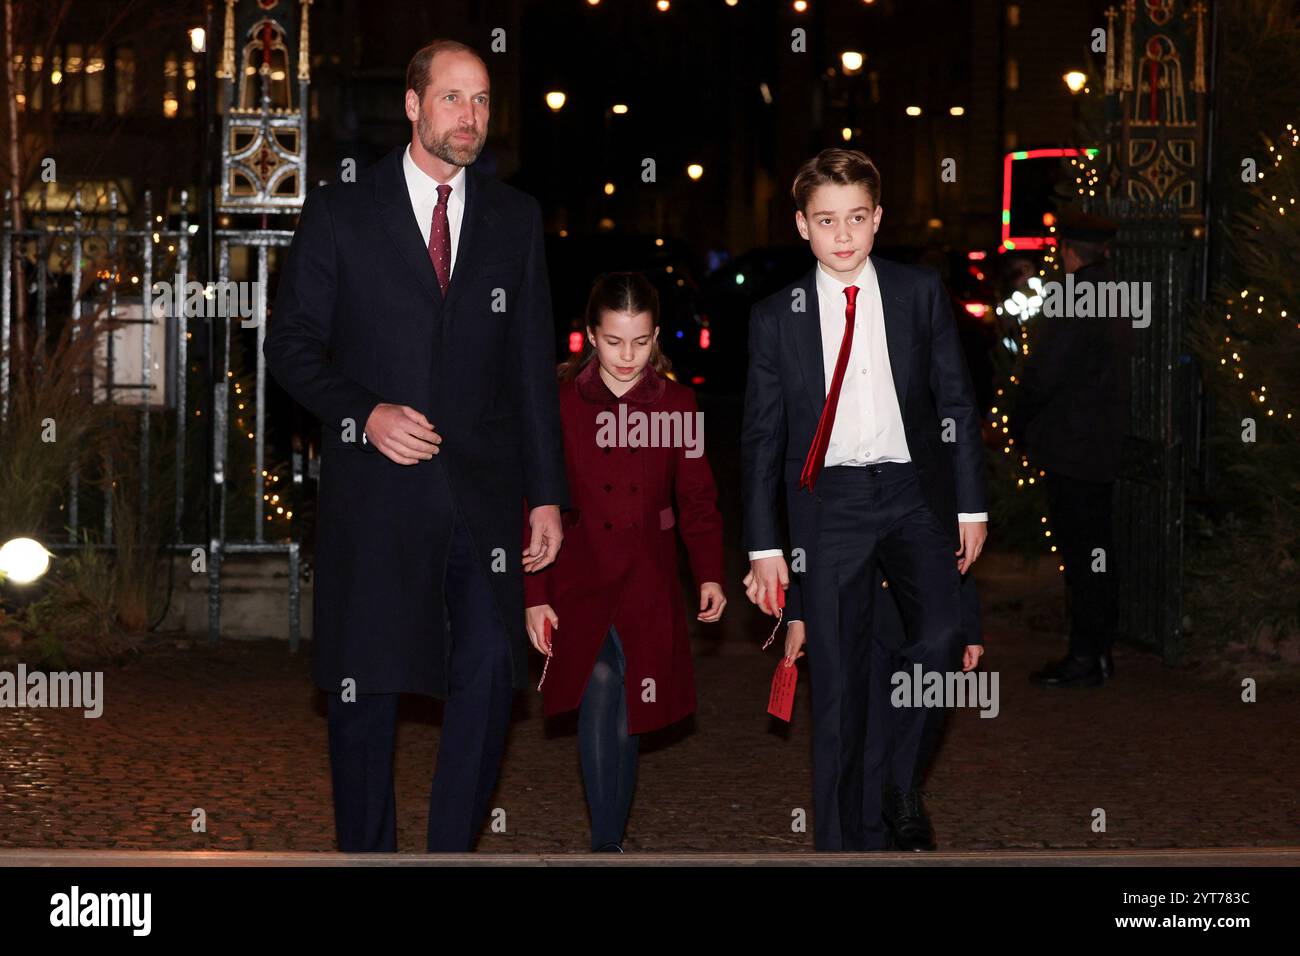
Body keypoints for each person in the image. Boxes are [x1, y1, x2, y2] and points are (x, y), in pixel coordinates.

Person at [264, 39, 568, 852]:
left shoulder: (515, 217)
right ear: (412, 104)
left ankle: (450, 857)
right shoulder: (341, 209)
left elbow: (531, 368)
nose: (469, 116)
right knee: (365, 696)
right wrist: (365, 413)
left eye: (480, 101)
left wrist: (546, 493)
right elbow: (290, 347)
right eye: (451, 99)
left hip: (484, 499)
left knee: (486, 684)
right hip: (377, 496)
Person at [741, 147, 988, 852]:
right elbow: (760, 439)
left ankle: (897, 780)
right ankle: (843, 848)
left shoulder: (917, 293)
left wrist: (972, 505)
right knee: (840, 684)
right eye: (826, 221)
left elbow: (956, 401)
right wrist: (764, 547)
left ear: (878, 218)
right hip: (834, 503)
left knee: (940, 639)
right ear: (801, 226)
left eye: (856, 218)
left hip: (912, 494)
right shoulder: (775, 315)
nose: (843, 235)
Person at [523, 272, 726, 852]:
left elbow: (698, 499)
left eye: (640, 341)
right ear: (591, 335)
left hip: (647, 579)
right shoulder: (558, 404)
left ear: (656, 335)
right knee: (601, 680)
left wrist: (709, 573)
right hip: (577, 573)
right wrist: (534, 595)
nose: (627, 355)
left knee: (633, 691)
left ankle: (606, 843)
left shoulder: (678, 404)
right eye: (614, 341)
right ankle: (606, 843)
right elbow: (532, 501)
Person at [781, 569, 983, 850]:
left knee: (920, 716)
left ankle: (900, 803)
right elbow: (811, 535)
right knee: (870, 739)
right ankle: (873, 844)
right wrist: (798, 614)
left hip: (923, 613)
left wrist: (968, 625)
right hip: (855, 609)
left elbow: (951, 547)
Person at [1019, 208, 1131, 688]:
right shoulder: (1117, 294)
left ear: (1067, 250)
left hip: (1071, 445)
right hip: (1102, 443)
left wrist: (1020, 420)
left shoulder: (1074, 297)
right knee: (1097, 552)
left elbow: (1046, 373)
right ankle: (1099, 650)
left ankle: (1085, 656)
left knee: (1081, 555)